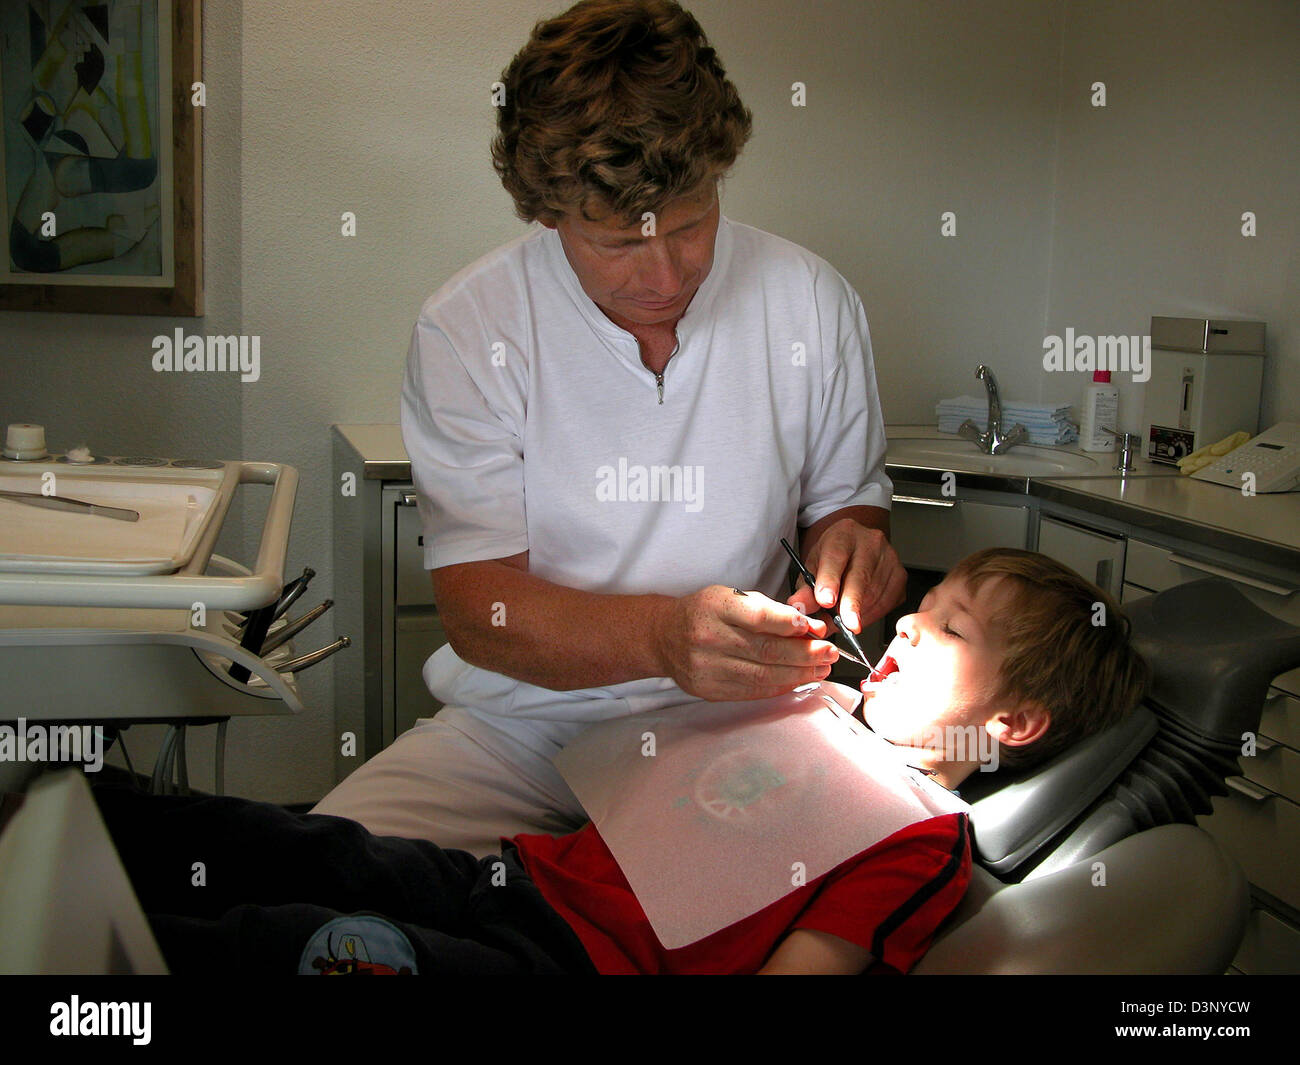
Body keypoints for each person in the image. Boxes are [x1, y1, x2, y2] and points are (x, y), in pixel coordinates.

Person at [312, 0, 907, 855]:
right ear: (546, 213)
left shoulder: (811, 300)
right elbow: (481, 611)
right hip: (520, 733)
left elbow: (850, 510)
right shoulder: (471, 326)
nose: (663, 275)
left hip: (745, 727)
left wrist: (856, 545)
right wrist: (663, 637)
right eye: (617, 242)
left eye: (693, 225)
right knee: (341, 875)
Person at [88, 549, 1149, 975]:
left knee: (300, 945)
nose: (911, 624)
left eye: (951, 632)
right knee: (297, 844)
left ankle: (70, 962)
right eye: (926, 604)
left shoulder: (916, 838)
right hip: (518, 878)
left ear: (1012, 724)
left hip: (572, 972)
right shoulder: (816, 706)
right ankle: (81, 814)